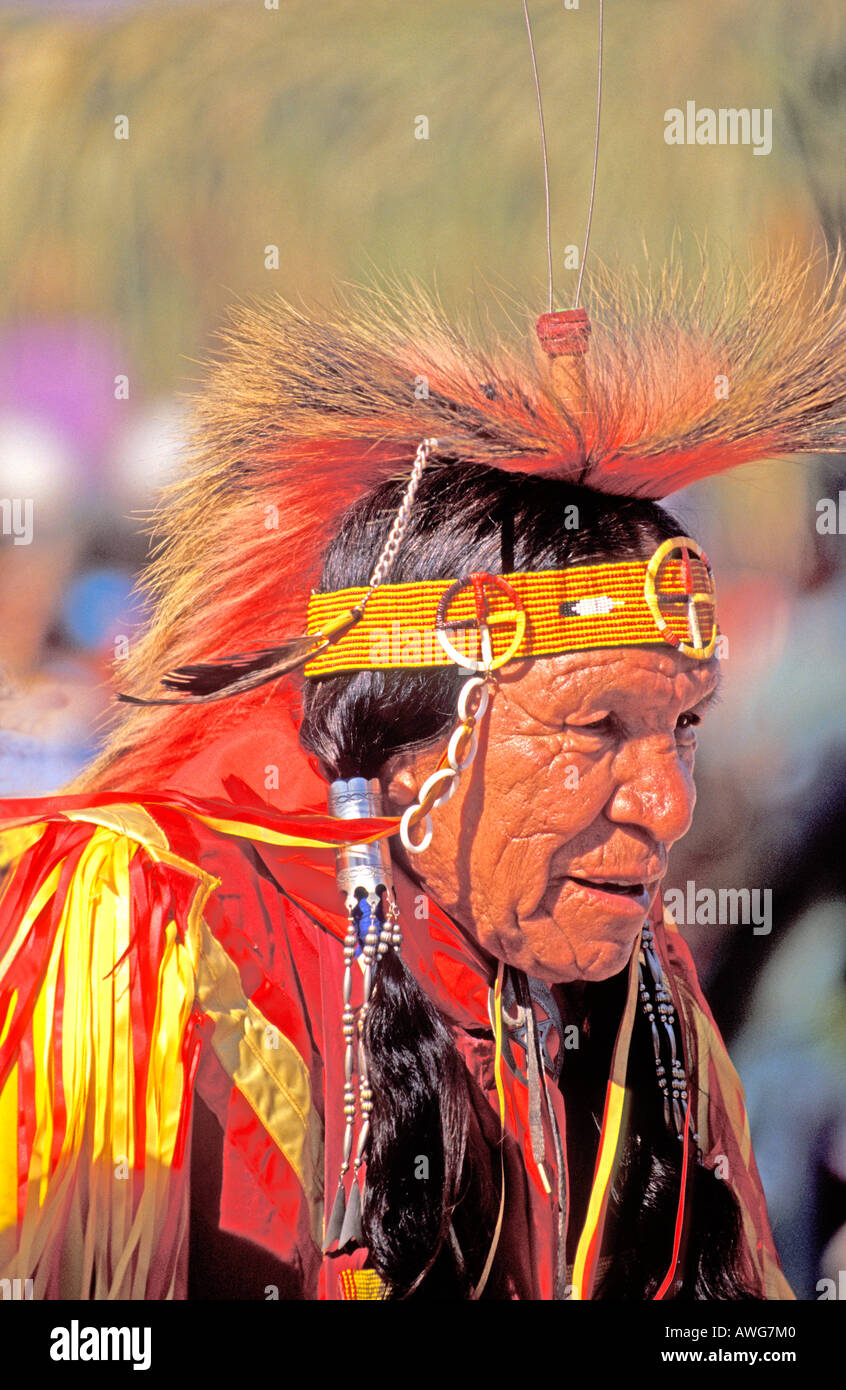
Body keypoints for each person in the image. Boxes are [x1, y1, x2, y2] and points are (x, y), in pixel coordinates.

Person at [1, 255, 843, 1299]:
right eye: (595, 730)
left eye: (683, 728)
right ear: (408, 754)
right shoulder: (150, 941)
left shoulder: (641, 1001)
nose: (670, 806)